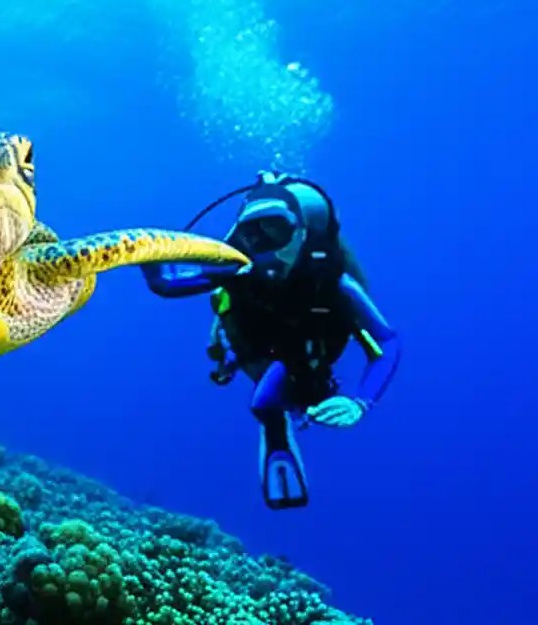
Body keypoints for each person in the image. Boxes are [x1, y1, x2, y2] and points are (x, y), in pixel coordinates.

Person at [141, 170, 401, 510]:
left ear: (301, 232)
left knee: (269, 401)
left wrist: (361, 402)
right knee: (265, 402)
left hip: (306, 352)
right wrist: (147, 256)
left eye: (275, 231)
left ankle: (284, 417)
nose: (264, 248)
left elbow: (387, 344)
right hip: (255, 346)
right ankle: (280, 422)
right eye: (253, 235)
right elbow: (166, 284)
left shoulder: (332, 282)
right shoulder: (238, 269)